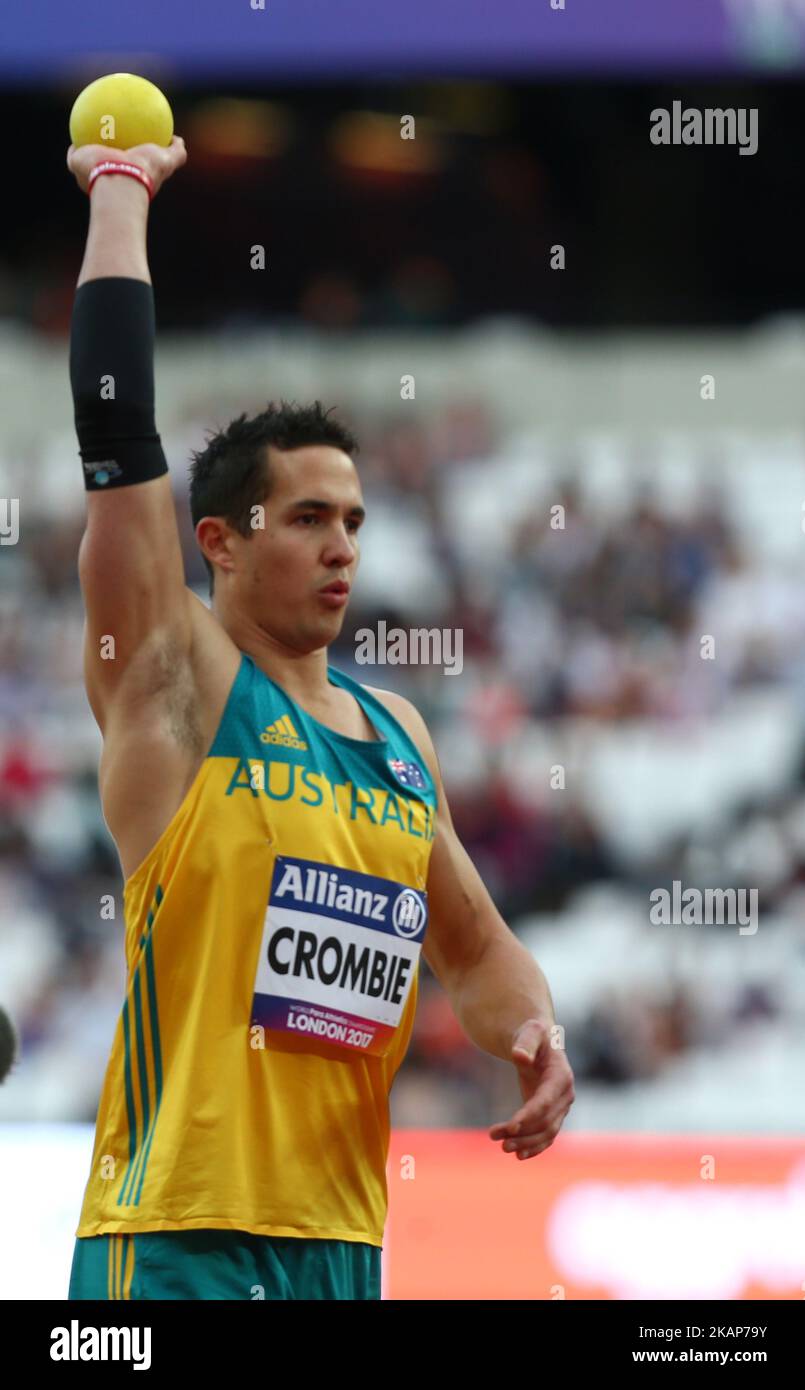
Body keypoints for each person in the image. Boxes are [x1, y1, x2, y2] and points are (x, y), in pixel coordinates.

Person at [64, 134, 574, 1301]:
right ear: (220, 543)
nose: (342, 544)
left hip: (342, 1245)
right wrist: (120, 193)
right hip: (177, 1233)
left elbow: (475, 945)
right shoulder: (175, 682)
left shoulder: (396, 735)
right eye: (304, 519)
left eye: (351, 519)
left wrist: (534, 1032)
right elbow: (114, 436)